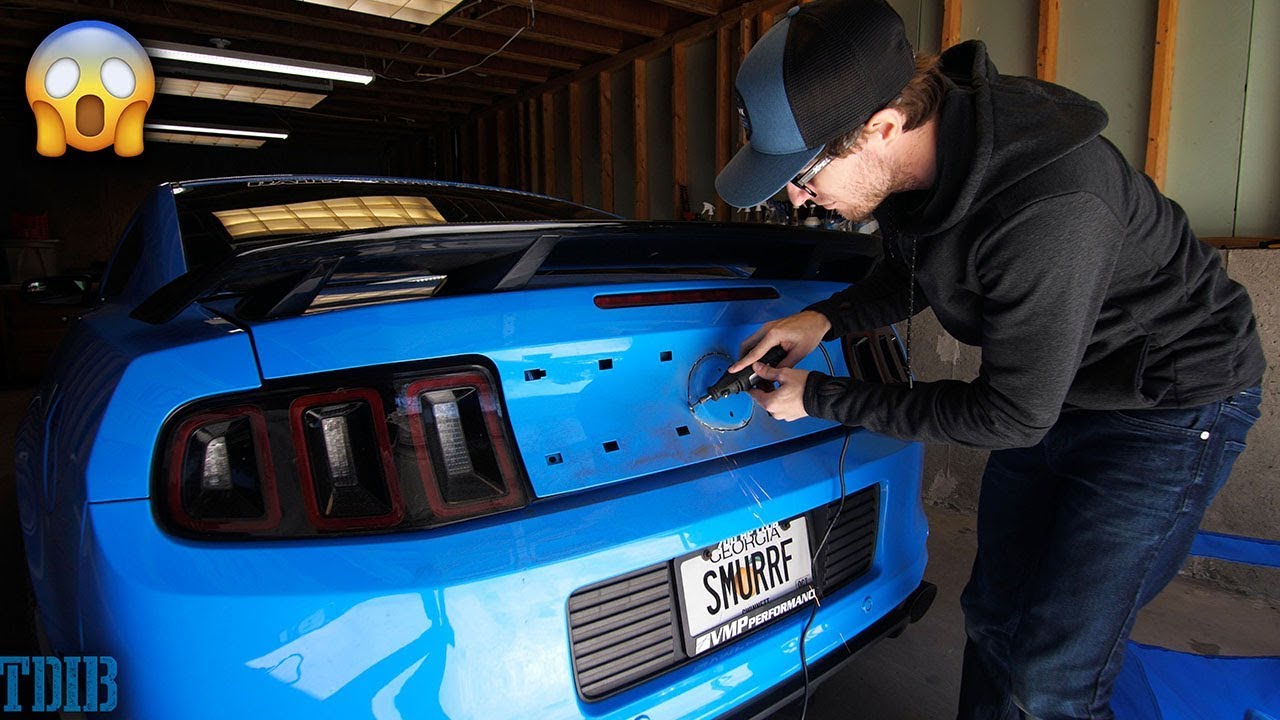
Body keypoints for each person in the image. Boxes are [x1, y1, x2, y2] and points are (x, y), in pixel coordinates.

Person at [713, 1, 1267, 719]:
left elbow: (1010, 414)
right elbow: (911, 271)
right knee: (995, 616)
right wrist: (826, 317)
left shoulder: (1050, 209)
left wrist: (819, 397)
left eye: (804, 172)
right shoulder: (926, 161)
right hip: (1058, 386)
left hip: (1165, 407)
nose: (795, 198)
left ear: (882, 127)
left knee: (1052, 674)